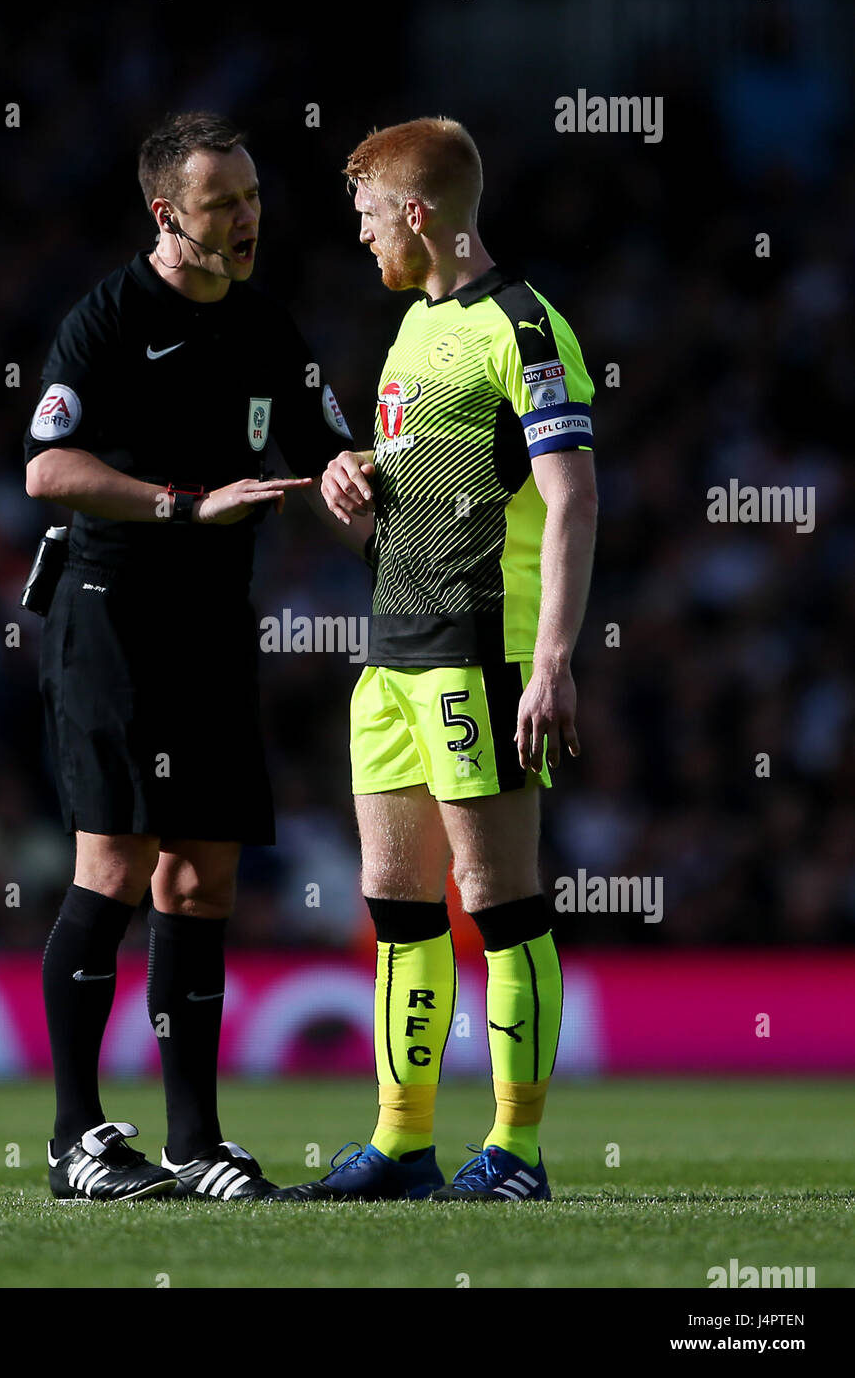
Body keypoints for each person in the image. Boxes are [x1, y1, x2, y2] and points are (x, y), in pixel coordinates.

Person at [23, 112, 353, 1202]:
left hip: (216, 624)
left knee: (201, 878)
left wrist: (361, 481)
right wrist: (182, 503)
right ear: (167, 213)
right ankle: (75, 1139)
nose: (248, 217)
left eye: (253, 196)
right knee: (113, 867)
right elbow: (47, 469)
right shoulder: (109, 320)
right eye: (223, 202)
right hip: (114, 614)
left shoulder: (265, 326)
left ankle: (194, 1141)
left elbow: (327, 452)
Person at [270, 117, 597, 1203]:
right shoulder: (413, 328)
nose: (361, 238)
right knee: (395, 902)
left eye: (368, 217)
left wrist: (550, 660)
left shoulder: (524, 327)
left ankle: (515, 1150)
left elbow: (569, 496)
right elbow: (422, 492)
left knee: (500, 901)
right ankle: (401, 1141)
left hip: (477, 652)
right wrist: (352, 480)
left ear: (417, 213)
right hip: (389, 649)